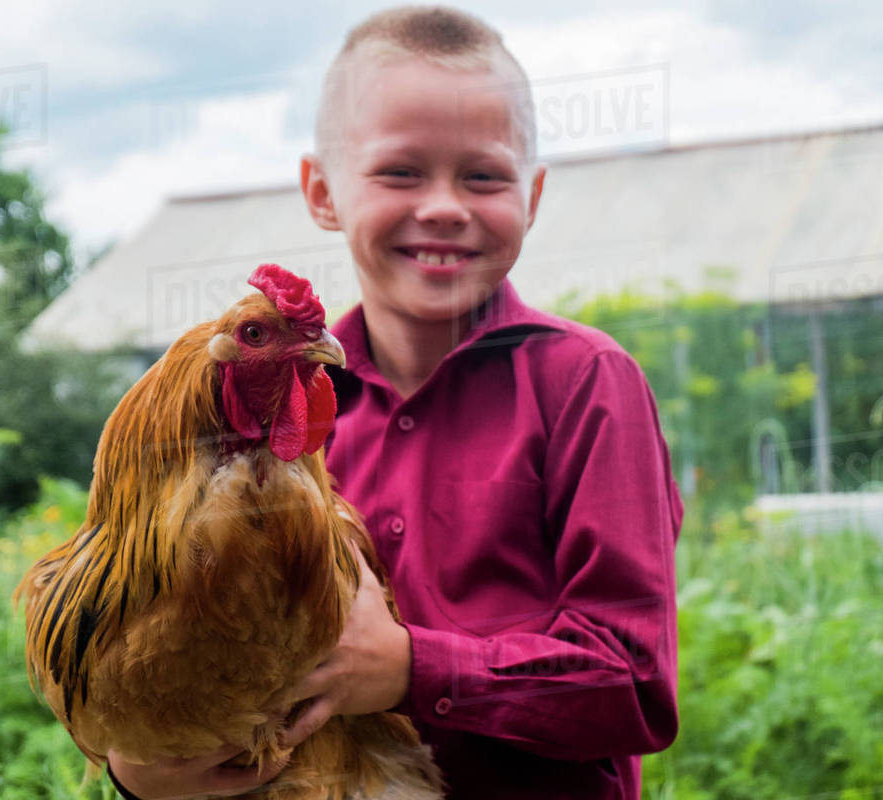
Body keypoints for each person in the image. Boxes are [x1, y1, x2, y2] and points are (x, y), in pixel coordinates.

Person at [107, 6, 681, 798]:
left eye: (483, 175)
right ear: (322, 192)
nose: (444, 205)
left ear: (534, 194)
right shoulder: (263, 413)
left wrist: (411, 668)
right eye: (400, 172)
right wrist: (141, 766)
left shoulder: (586, 384)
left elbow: (634, 685)